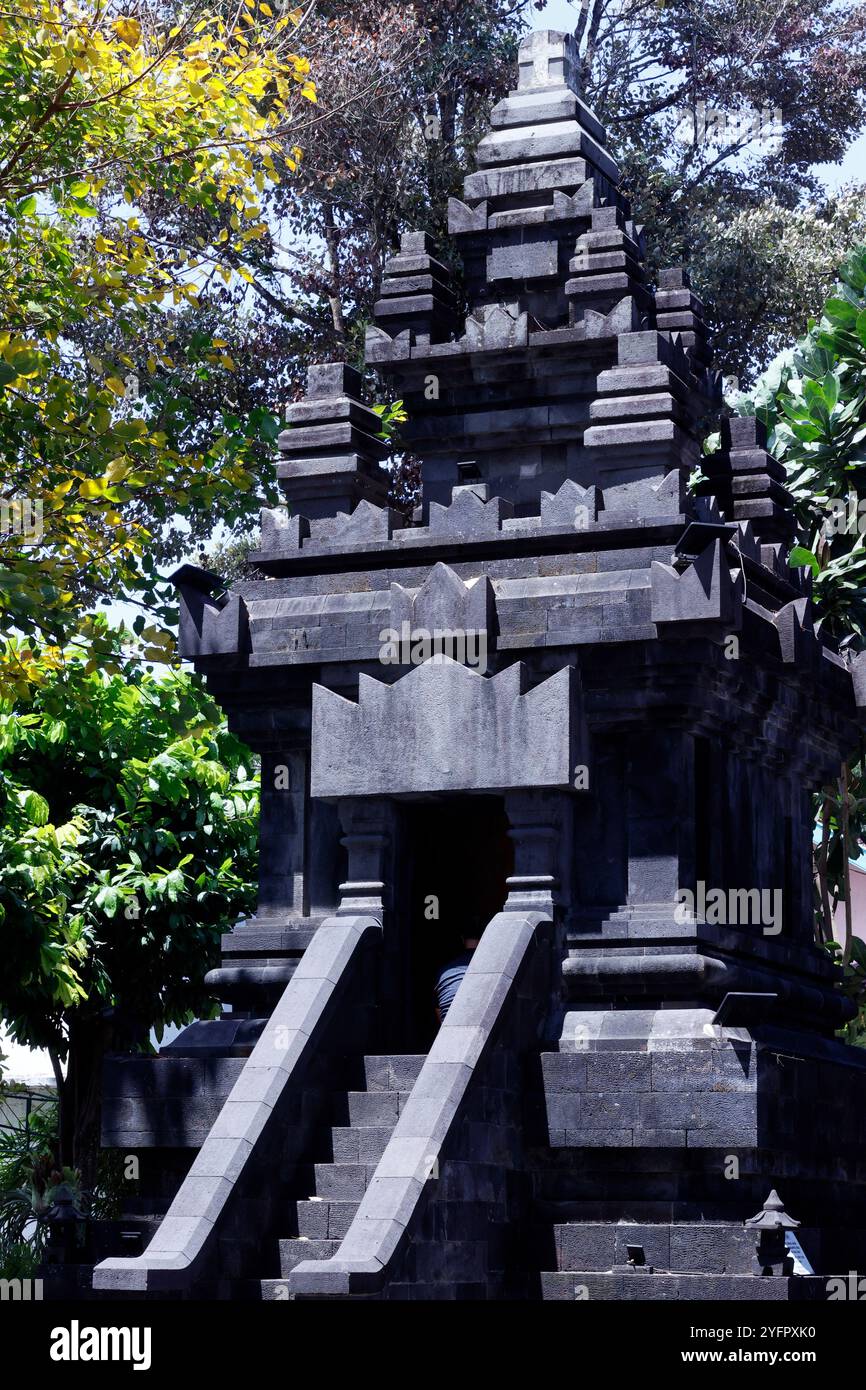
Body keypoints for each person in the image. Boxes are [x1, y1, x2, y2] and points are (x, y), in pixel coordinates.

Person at [434, 930, 480, 1026]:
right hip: (478, 1026)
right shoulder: (491, 966)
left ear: (462, 940)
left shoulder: (444, 971)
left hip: (449, 1029)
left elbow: (439, 1010)